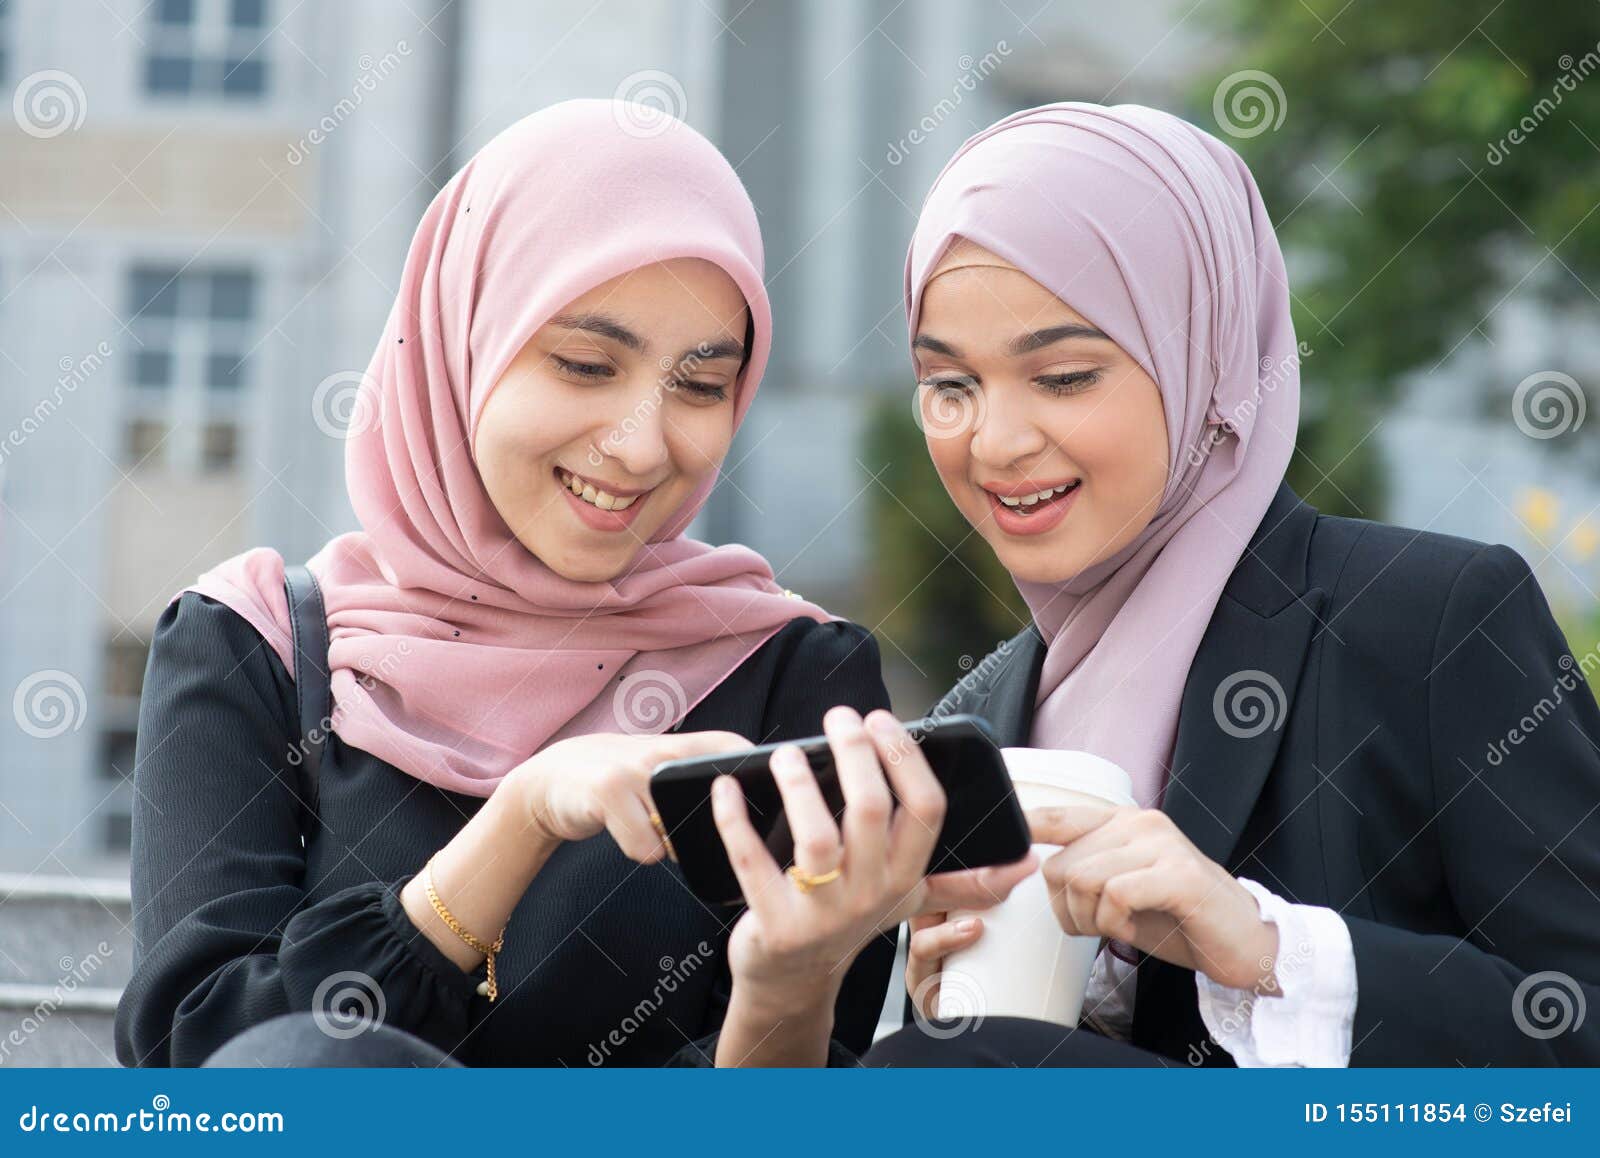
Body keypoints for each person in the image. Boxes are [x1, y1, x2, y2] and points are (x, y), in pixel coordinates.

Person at [115, 99, 1027, 1070]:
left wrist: (785, 985)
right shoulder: (255, 645)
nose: (640, 443)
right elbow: (198, 1058)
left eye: (701, 384)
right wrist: (520, 821)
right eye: (586, 364)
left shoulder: (791, 671)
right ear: (464, 342)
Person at [866, 101, 1600, 1068]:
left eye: (1066, 376)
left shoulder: (1427, 622)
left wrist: (1261, 949)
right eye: (949, 384)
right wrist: (952, 1019)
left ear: (1204, 364)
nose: (994, 443)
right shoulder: (979, 717)